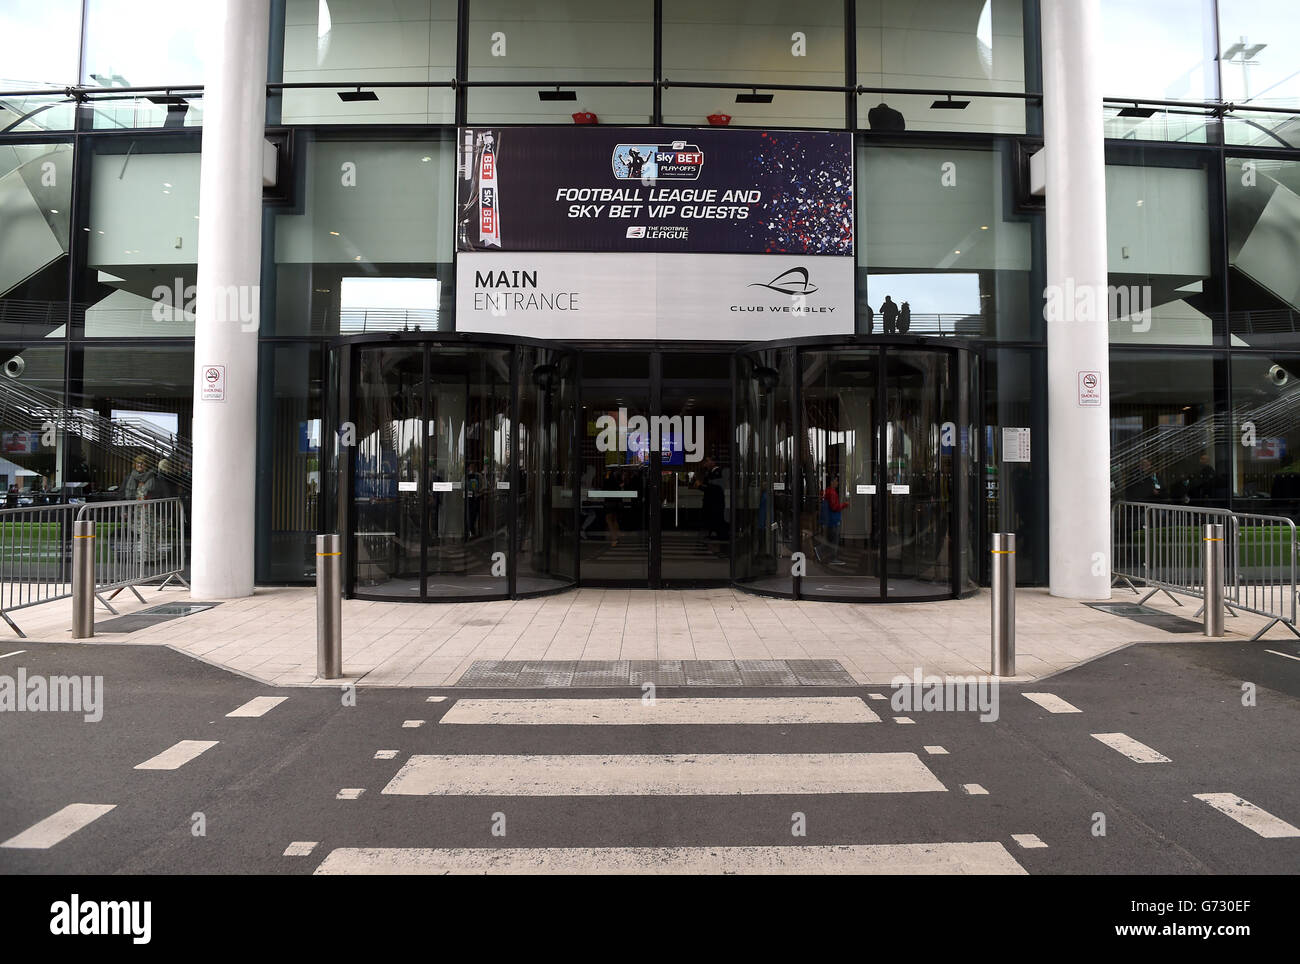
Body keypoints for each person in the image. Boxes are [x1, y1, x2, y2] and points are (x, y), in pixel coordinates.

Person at [819, 474, 850, 564]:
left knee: (830, 539)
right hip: (833, 520)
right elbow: (834, 507)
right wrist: (845, 505)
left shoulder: (827, 491)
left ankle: (822, 553)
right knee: (834, 541)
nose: (837, 483)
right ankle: (832, 558)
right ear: (832, 482)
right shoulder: (832, 493)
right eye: (836, 481)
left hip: (829, 520)